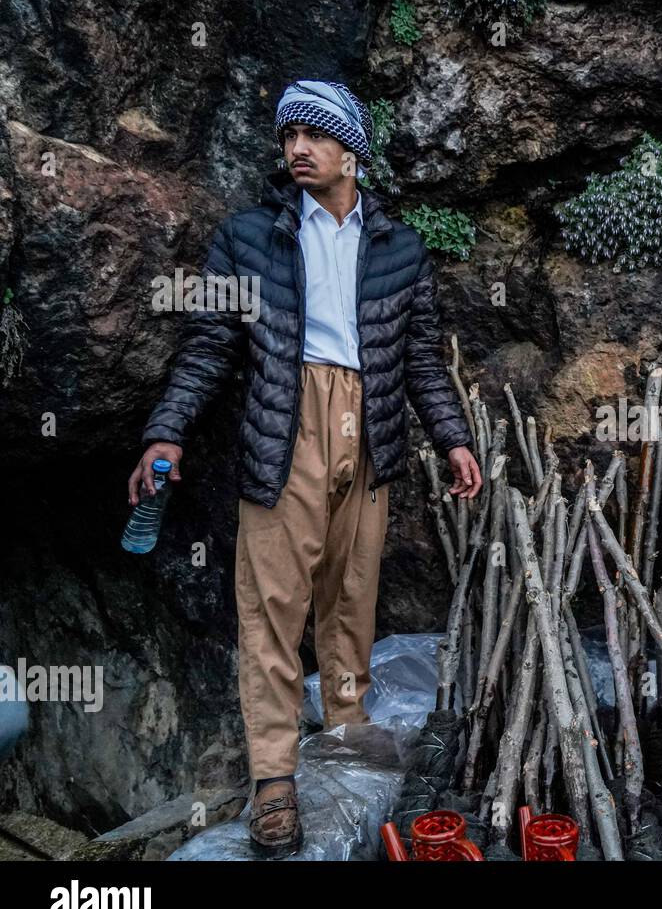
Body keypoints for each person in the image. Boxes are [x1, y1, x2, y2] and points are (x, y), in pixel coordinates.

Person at [128, 80, 482, 857]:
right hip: (285, 430)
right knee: (273, 608)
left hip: (374, 427)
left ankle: (349, 731)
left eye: (314, 136)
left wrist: (453, 436)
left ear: (350, 149)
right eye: (288, 136)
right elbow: (210, 345)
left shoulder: (400, 245)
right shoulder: (249, 238)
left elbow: (420, 357)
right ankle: (275, 782)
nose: (296, 149)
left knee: (353, 593)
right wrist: (167, 434)